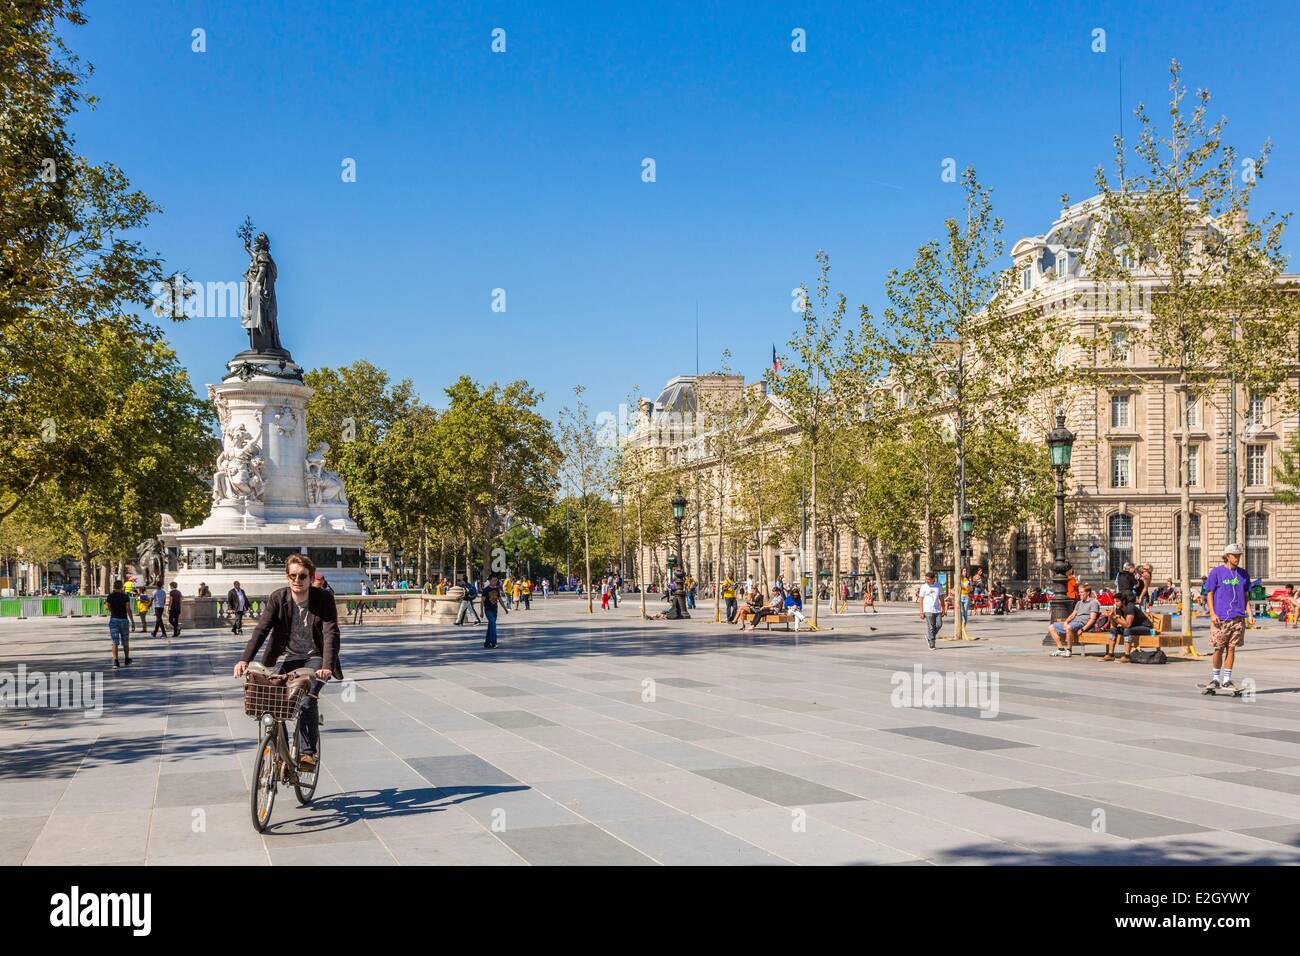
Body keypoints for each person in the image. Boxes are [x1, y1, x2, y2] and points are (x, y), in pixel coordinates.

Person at [233, 555, 341, 770]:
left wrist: (326, 666)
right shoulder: (278, 598)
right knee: (272, 699)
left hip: (316, 657)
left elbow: (331, 633)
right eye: (293, 575)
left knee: (306, 699)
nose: (297, 580)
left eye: (302, 576)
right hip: (288, 656)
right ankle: (278, 746)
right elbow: (261, 630)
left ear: (311, 578)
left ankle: (308, 753)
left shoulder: (323, 599)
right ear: (287, 577)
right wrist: (245, 659)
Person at [1202, 543, 1255, 694]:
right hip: (1221, 618)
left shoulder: (1243, 574)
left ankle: (1226, 680)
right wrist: (1212, 613)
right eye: (1234, 555)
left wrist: (1250, 613)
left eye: (1239, 555)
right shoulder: (1217, 572)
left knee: (1231, 648)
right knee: (1218, 648)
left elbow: (1245, 596)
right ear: (1227, 556)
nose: (1237, 558)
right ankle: (1215, 678)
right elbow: (1210, 593)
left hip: (1238, 617)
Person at [1046, 583, 1101, 658]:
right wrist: (1066, 622)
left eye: (1081, 592)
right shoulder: (1079, 602)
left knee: (1068, 627)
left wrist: (1083, 629)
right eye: (1079, 592)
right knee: (1051, 627)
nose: (1079, 594)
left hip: (1081, 623)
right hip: (1073, 623)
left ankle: (1069, 650)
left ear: (1087, 593)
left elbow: (1092, 619)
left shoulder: (1093, 602)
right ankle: (1061, 649)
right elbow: (1073, 615)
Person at [1103, 595, 1153, 662]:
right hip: (1134, 627)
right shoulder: (1118, 608)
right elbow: (1115, 624)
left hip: (1146, 628)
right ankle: (1110, 655)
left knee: (1127, 630)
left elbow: (1128, 625)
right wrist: (1111, 617)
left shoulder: (1130, 607)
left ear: (1123, 601)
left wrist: (1115, 617)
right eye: (1114, 601)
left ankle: (1127, 656)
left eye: (1117, 601)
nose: (1115, 603)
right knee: (1113, 629)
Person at [107, 579, 132, 668]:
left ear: (114, 587)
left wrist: (113, 612)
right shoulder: (125, 597)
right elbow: (128, 609)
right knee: (125, 641)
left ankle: (115, 661)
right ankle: (126, 659)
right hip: (124, 620)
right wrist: (132, 621)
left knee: (115, 642)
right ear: (122, 587)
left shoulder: (110, 596)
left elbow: (108, 607)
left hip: (114, 620)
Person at [917, 571, 944, 650]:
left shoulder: (938, 585)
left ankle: (930, 637)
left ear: (933, 579)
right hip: (928, 610)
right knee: (931, 627)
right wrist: (921, 612)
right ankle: (932, 644)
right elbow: (921, 600)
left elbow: (941, 597)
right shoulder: (924, 587)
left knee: (939, 624)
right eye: (926, 579)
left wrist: (943, 608)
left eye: (928, 579)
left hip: (937, 609)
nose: (927, 581)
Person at [481, 574, 502, 648]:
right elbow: (482, 601)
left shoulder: (497, 589)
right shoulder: (486, 589)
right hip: (488, 610)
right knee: (493, 625)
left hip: (495, 610)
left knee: (491, 626)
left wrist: (505, 608)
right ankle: (494, 642)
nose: (495, 581)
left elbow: (500, 599)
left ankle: (487, 643)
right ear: (489, 580)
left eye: (496, 580)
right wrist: (481, 611)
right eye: (493, 580)